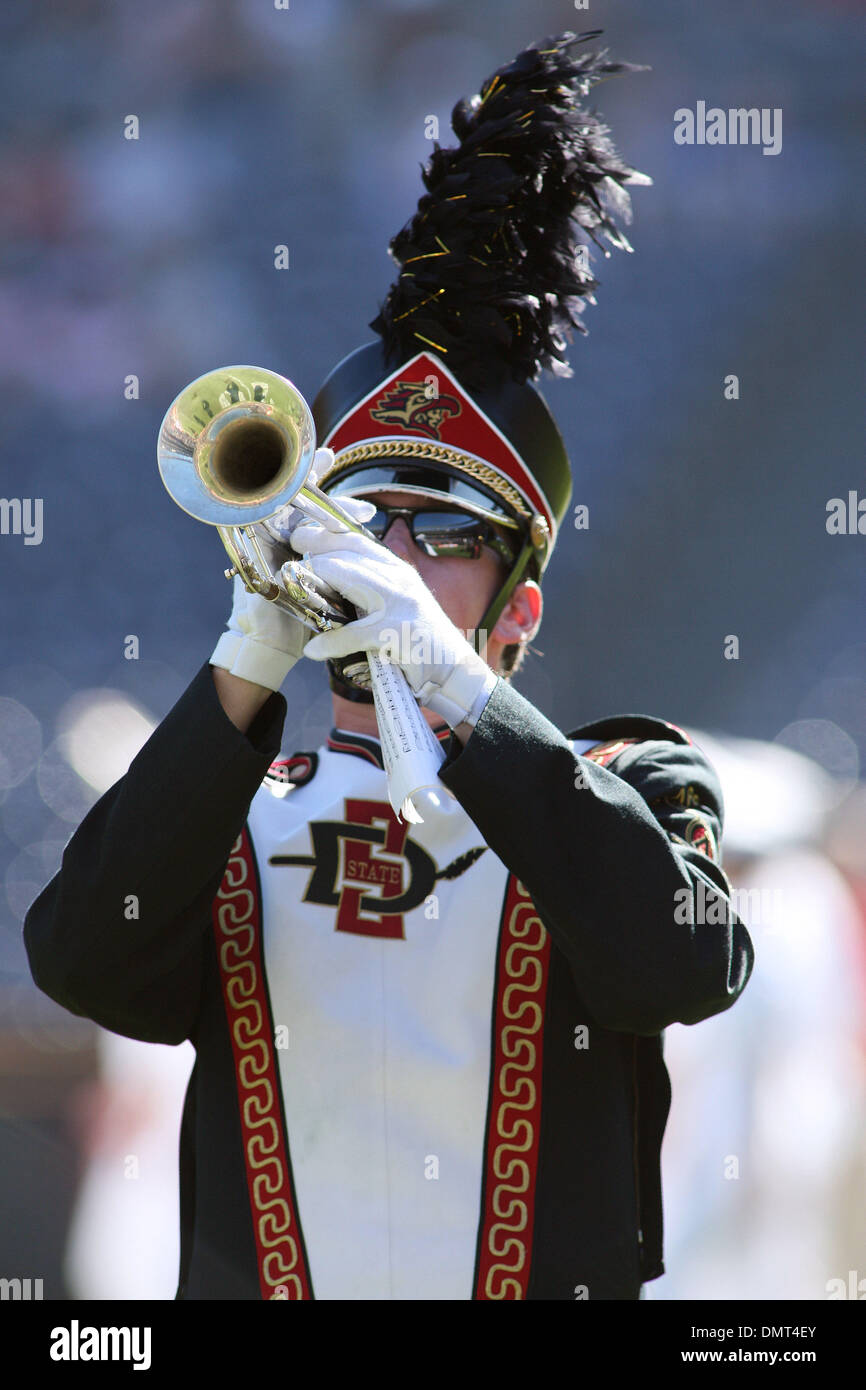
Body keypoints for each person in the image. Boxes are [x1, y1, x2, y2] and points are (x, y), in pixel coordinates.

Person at [23, 30, 753, 1301]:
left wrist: (453, 683)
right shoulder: (233, 807)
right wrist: (254, 646)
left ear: (516, 611)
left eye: (451, 536)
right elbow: (89, 959)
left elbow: (681, 962)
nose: (401, 560)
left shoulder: (633, 780)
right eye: (374, 522)